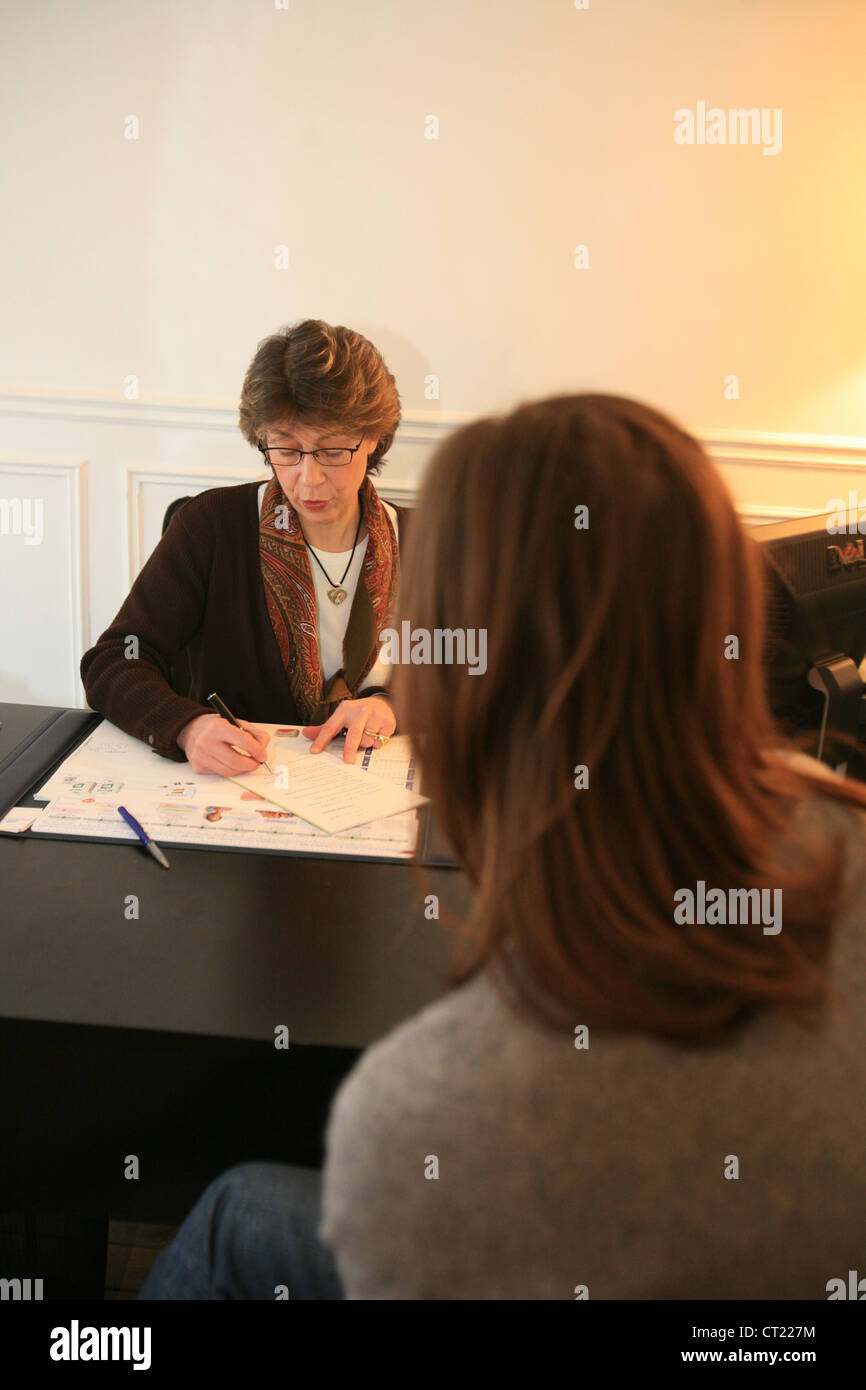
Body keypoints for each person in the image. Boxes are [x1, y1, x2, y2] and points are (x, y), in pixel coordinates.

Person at [139, 393, 866, 1300]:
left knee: (236, 1212)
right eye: (285, 450)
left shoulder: (425, 1105)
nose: (307, 474)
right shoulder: (840, 823)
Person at [80, 320, 407, 769]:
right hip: (239, 787)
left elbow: (472, 673)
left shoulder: (426, 542)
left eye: (332, 451)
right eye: (286, 450)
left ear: (373, 438)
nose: (308, 480)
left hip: (375, 796)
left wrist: (391, 706)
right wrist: (186, 726)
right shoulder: (211, 527)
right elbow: (115, 660)